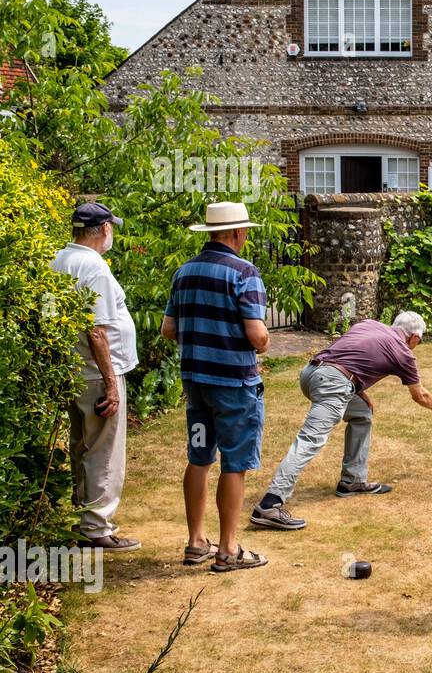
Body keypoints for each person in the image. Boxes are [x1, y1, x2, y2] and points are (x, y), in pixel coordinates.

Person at [251, 312, 432, 528]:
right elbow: (419, 395)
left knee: (362, 413)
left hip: (311, 372)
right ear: (414, 338)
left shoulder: (369, 324)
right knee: (310, 440)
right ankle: (270, 504)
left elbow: (350, 356)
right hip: (333, 383)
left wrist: (359, 393)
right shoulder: (403, 352)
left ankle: (352, 480)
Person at [161, 201, 270, 573]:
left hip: (195, 382)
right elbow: (257, 335)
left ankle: (195, 542)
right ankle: (228, 549)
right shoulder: (245, 273)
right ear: (239, 233)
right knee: (235, 464)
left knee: (199, 457)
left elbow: (168, 330)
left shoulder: (184, 272)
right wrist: (264, 341)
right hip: (234, 383)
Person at [50, 202, 141, 552]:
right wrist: (109, 383)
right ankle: (97, 526)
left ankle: (83, 516)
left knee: (83, 444)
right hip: (98, 372)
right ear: (103, 229)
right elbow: (97, 331)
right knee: (105, 450)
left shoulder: (58, 260)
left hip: (72, 369)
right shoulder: (95, 267)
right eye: (111, 227)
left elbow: (50, 314)